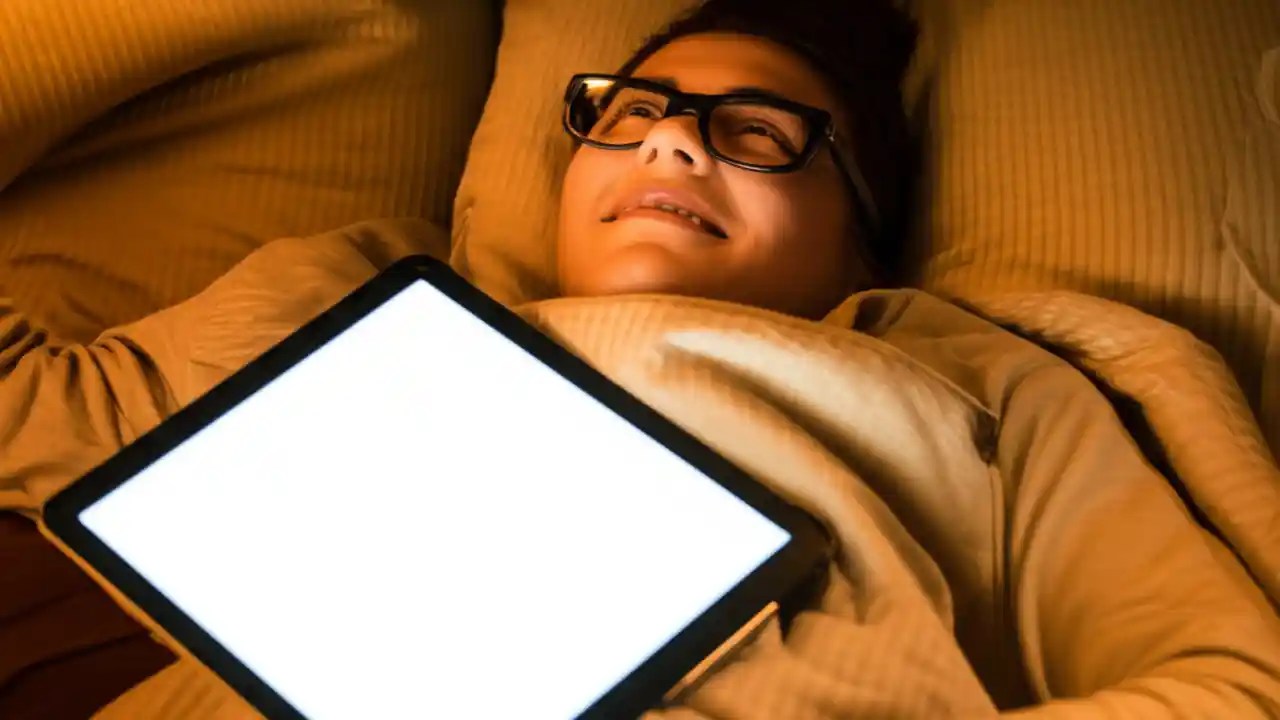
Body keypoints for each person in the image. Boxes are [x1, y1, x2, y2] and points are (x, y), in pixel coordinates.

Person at [3, 0, 1280, 717]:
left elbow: (1232, 683)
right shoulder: (376, 299)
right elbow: (33, 423)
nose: (670, 148)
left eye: (755, 132)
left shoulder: (978, 380)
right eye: (627, 116)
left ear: (856, 240)